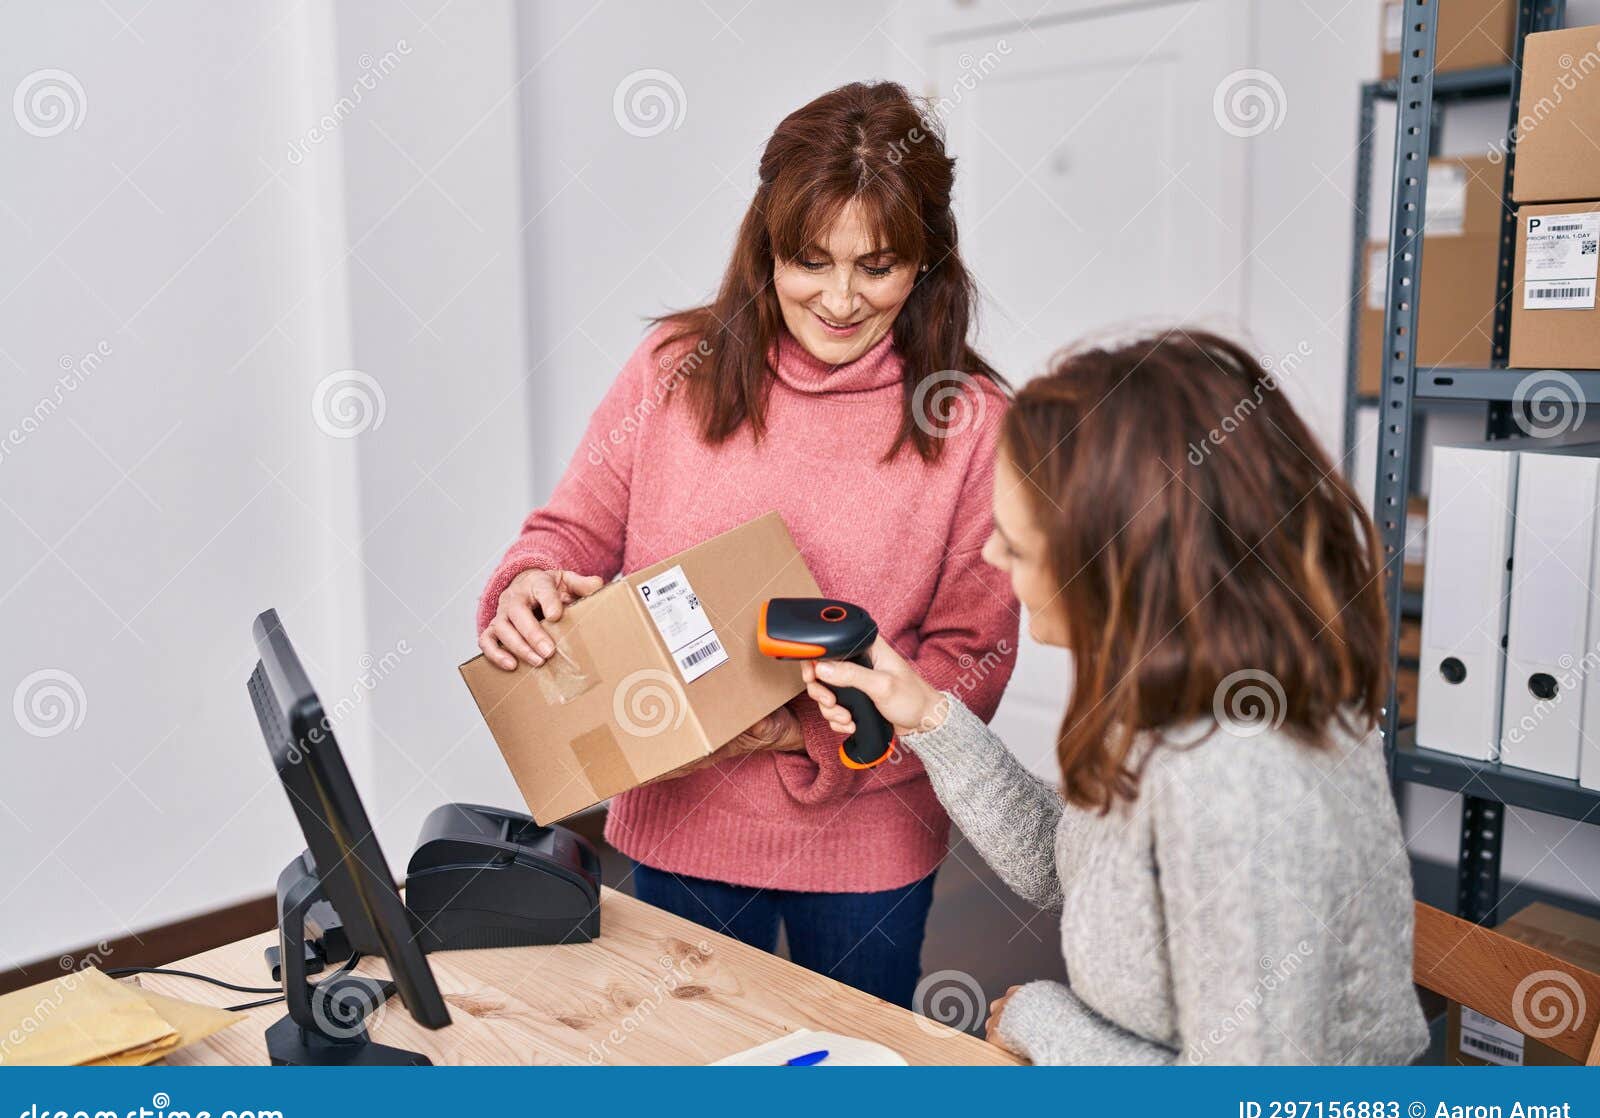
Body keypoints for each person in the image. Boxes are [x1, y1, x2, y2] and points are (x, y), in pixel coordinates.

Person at [476, 81, 1018, 1009]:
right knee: (688, 1076)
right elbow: (569, 532)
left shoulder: (970, 424)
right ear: (765, 244)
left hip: (867, 839)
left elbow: (972, 663)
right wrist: (527, 586)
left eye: (878, 266)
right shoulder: (673, 370)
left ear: (926, 262)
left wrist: (805, 731)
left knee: (849, 1088)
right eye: (810, 261)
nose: (840, 299)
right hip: (680, 813)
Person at [804, 329, 1429, 1063]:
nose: (990, 556)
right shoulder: (1176, 692)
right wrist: (929, 716)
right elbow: (1062, 861)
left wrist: (1048, 1022)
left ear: (1117, 564)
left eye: (1018, 541)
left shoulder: (1239, 779)